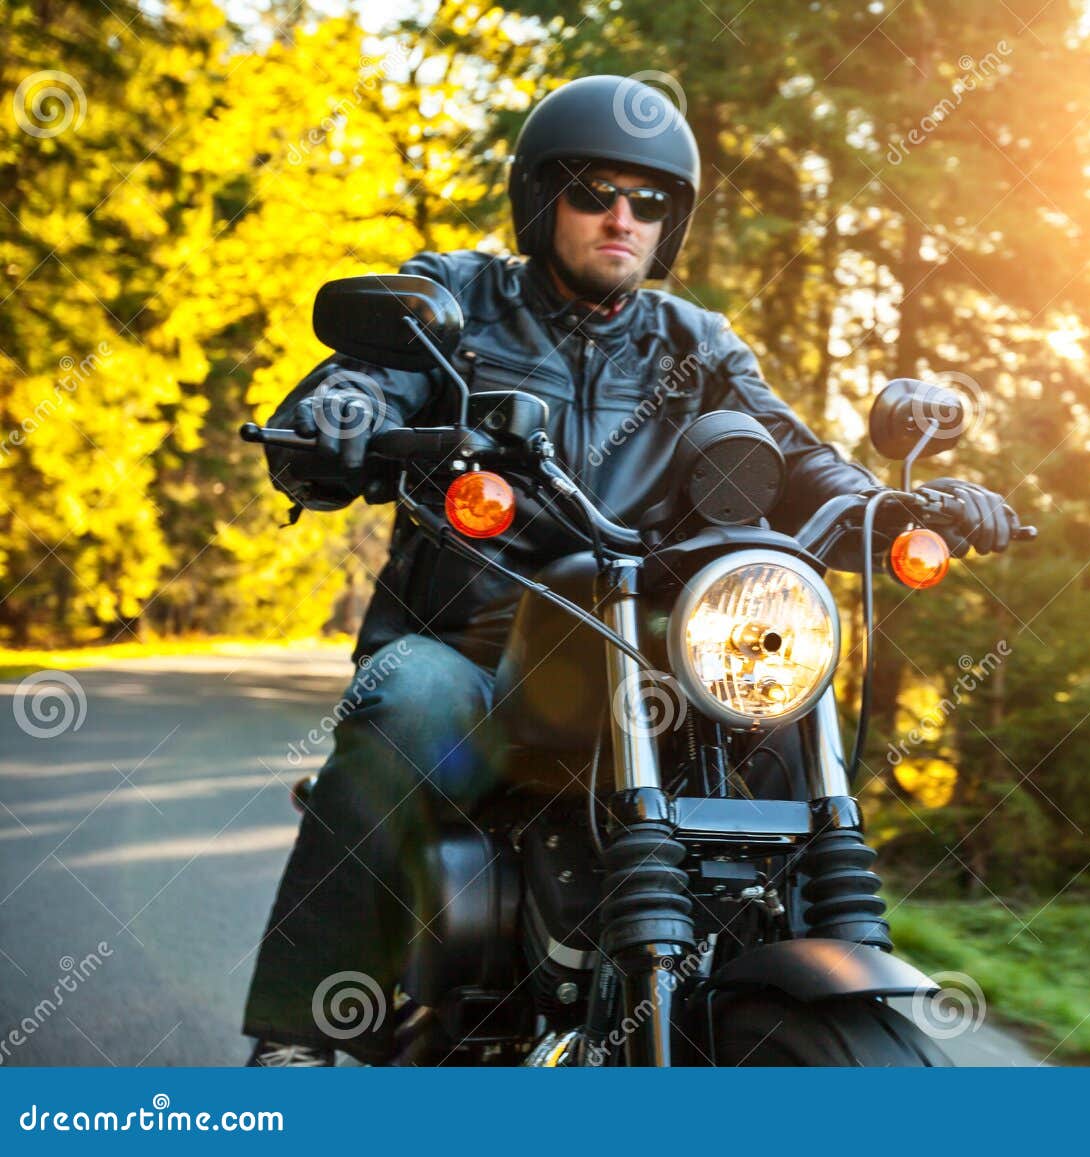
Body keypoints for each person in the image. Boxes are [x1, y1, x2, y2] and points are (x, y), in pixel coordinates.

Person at [241, 74, 1017, 1066]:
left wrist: (891, 502)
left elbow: (791, 453)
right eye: (592, 191)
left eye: (648, 201)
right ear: (540, 199)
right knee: (405, 706)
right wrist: (339, 415)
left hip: (654, 653)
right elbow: (367, 373)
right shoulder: (459, 297)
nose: (621, 216)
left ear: (672, 221)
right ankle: (299, 1037)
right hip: (479, 651)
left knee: (773, 728)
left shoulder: (697, 344)